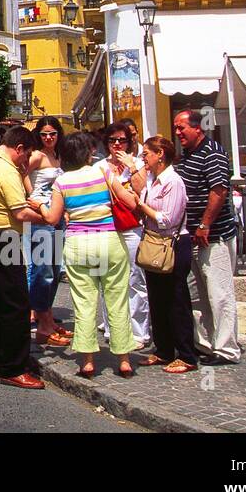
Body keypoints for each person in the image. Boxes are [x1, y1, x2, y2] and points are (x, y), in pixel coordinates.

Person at [39, 132, 137, 379]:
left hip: (78, 245)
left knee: (84, 303)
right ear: (87, 153)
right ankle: (124, 360)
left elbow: (52, 218)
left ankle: (87, 362)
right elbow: (130, 202)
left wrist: (38, 205)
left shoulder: (61, 183)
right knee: (117, 300)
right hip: (109, 242)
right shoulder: (103, 173)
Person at [110, 135, 197, 374]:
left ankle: (187, 355)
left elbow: (167, 218)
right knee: (157, 298)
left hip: (172, 244)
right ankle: (163, 350)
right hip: (153, 242)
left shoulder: (173, 181)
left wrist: (141, 206)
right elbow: (128, 181)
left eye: (146, 154)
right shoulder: (151, 178)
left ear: (160, 155)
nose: (143, 158)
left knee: (176, 299)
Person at [0, 124, 48, 389]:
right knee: (16, 305)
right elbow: (20, 212)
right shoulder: (6, 171)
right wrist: (47, 217)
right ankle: (15, 368)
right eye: (26, 156)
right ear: (19, 148)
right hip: (5, 238)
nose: (26, 162)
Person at [173, 109, 240, 365]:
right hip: (192, 236)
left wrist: (204, 224)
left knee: (219, 293)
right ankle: (208, 343)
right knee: (200, 294)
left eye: (182, 128)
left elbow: (219, 191)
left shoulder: (212, 152)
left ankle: (226, 349)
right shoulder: (188, 155)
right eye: (176, 128)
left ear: (197, 128)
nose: (178, 133)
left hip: (214, 236)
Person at [96, 121, 151, 349]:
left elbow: (143, 192)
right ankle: (113, 329)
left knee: (136, 281)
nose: (117, 144)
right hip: (107, 228)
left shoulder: (137, 164)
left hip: (132, 228)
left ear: (130, 142)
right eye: (112, 140)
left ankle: (139, 332)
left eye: (122, 140)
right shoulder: (99, 167)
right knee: (109, 282)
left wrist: (132, 167)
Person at [23, 117, 69, 346]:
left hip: (57, 218)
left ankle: (47, 316)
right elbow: (21, 173)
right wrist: (33, 197)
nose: (49, 138)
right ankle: (43, 324)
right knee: (42, 271)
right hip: (40, 218)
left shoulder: (58, 156)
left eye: (52, 133)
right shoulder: (37, 156)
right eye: (44, 134)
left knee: (55, 269)